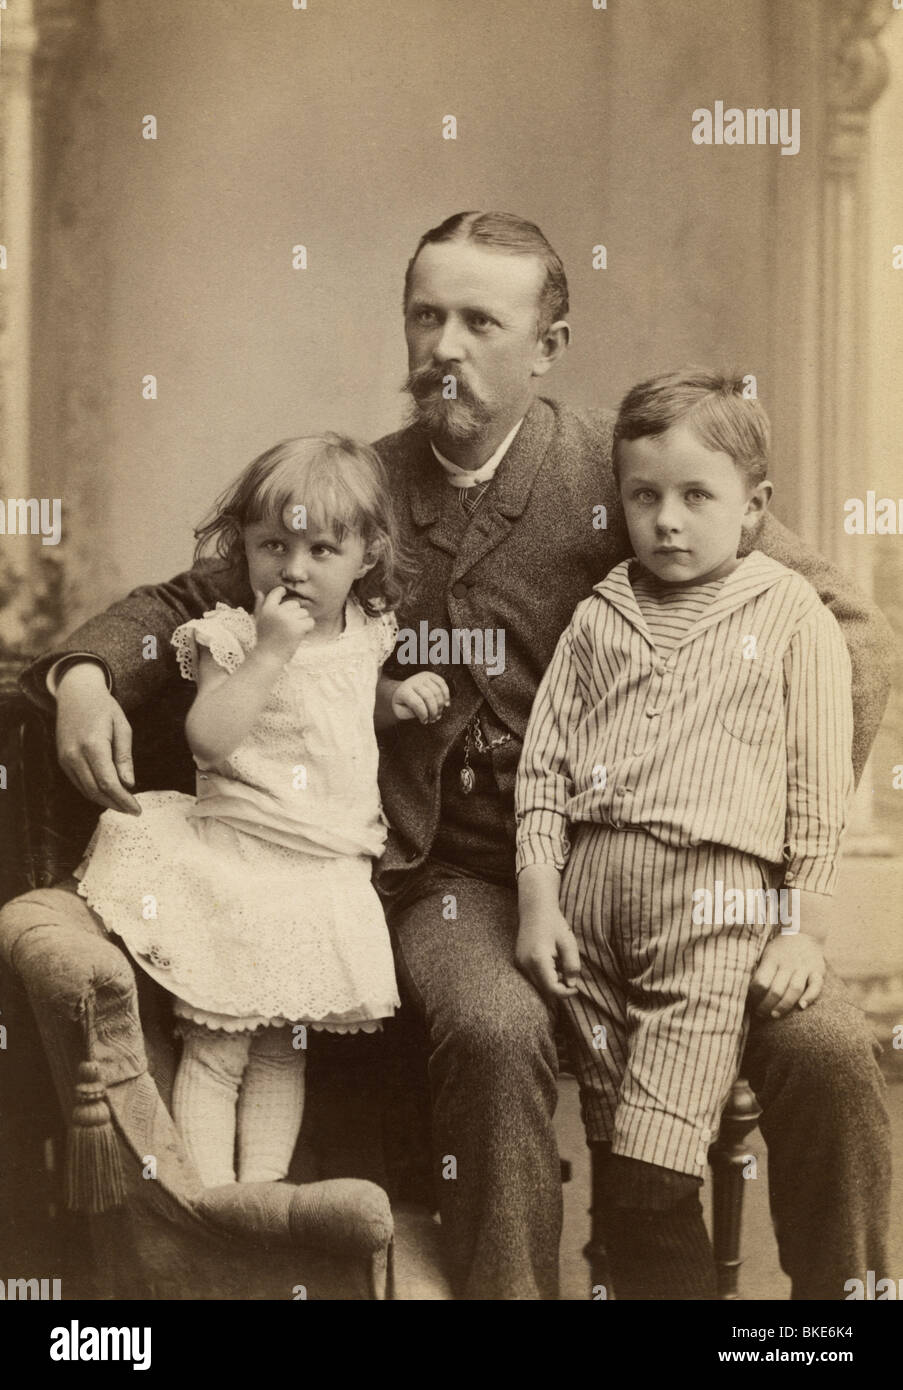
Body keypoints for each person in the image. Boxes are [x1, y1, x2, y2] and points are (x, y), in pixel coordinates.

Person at [16, 212, 893, 1300]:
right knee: (489, 1025)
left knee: (829, 1048)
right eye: (426, 317)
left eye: (483, 321)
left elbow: (845, 624)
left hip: (674, 869)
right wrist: (89, 672)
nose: (447, 347)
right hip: (460, 878)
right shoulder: (360, 490)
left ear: (548, 344)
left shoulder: (624, 474)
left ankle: (845, 1317)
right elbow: (192, 595)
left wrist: (759, 834)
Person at [516, 369, 857, 1299]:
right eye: (643, 496)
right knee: (609, 1133)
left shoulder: (790, 617)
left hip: (708, 918)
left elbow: (816, 799)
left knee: (650, 1175)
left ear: (754, 507)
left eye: (695, 496)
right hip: (584, 920)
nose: (666, 520)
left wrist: (799, 930)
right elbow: (542, 774)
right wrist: (539, 902)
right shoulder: (598, 617)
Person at [69, 433, 448, 1187]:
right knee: (218, 1045)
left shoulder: (367, 634)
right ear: (241, 544)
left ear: (367, 555)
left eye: (320, 550)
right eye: (272, 545)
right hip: (241, 859)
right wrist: (269, 651)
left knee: (284, 1047)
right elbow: (210, 739)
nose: (294, 569)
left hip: (322, 869)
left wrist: (391, 700)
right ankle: (213, 1203)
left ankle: (262, 1196)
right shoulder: (233, 636)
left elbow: (329, 709)